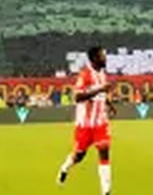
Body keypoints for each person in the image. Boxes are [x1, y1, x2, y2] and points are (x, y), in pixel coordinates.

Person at [56, 46, 115, 194]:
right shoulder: (85, 75)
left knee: (104, 151)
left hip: (101, 122)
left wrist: (109, 104)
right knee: (79, 156)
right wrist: (100, 89)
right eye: (102, 56)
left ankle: (106, 191)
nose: (105, 58)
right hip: (85, 124)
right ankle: (65, 168)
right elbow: (77, 97)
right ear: (94, 58)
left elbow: (101, 95)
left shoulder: (102, 74)